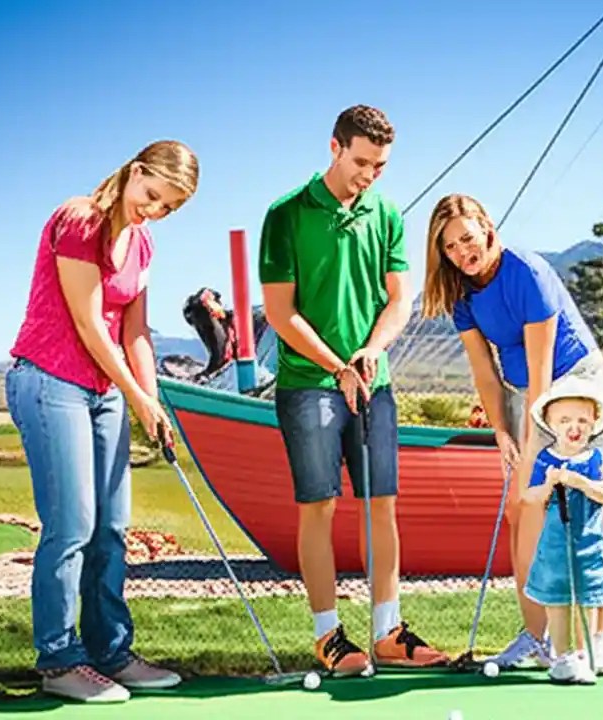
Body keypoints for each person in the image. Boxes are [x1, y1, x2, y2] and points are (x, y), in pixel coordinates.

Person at [258, 104, 449, 677]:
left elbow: (399, 301)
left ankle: (388, 632)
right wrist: (337, 364)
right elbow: (279, 312)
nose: (371, 174)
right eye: (363, 161)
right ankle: (328, 637)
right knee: (318, 505)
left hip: (373, 381)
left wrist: (371, 353)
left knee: (382, 505)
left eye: (381, 165)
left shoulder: (386, 214)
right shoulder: (286, 214)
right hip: (307, 383)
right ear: (334, 148)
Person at [5, 140, 199, 703]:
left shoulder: (142, 244)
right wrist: (137, 398)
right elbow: (91, 325)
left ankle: (110, 651)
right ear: (136, 172)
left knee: (112, 527)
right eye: (152, 195)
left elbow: (135, 331)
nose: (154, 210)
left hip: (103, 389)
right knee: (72, 526)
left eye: (167, 207)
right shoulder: (78, 219)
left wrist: (153, 399)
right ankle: (60, 660)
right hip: (49, 380)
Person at [420, 193, 603, 674]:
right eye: (450, 247)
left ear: (487, 227)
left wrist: (532, 454)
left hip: (574, 388)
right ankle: (540, 638)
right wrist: (500, 432)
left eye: (467, 238)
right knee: (522, 509)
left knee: (577, 504)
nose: (462, 252)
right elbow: (485, 373)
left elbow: (541, 374)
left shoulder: (526, 273)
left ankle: (601, 637)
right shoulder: (462, 296)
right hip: (525, 394)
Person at [521, 378, 603, 684]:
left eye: (582, 420)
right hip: (554, 544)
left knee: (588, 596)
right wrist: (550, 483)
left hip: (588, 542)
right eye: (565, 420)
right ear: (551, 424)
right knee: (558, 599)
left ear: (593, 425)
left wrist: (581, 483)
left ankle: (585, 652)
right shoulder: (546, 460)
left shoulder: (596, 459)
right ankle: (562, 657)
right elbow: (529, 497)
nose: (574, 427)